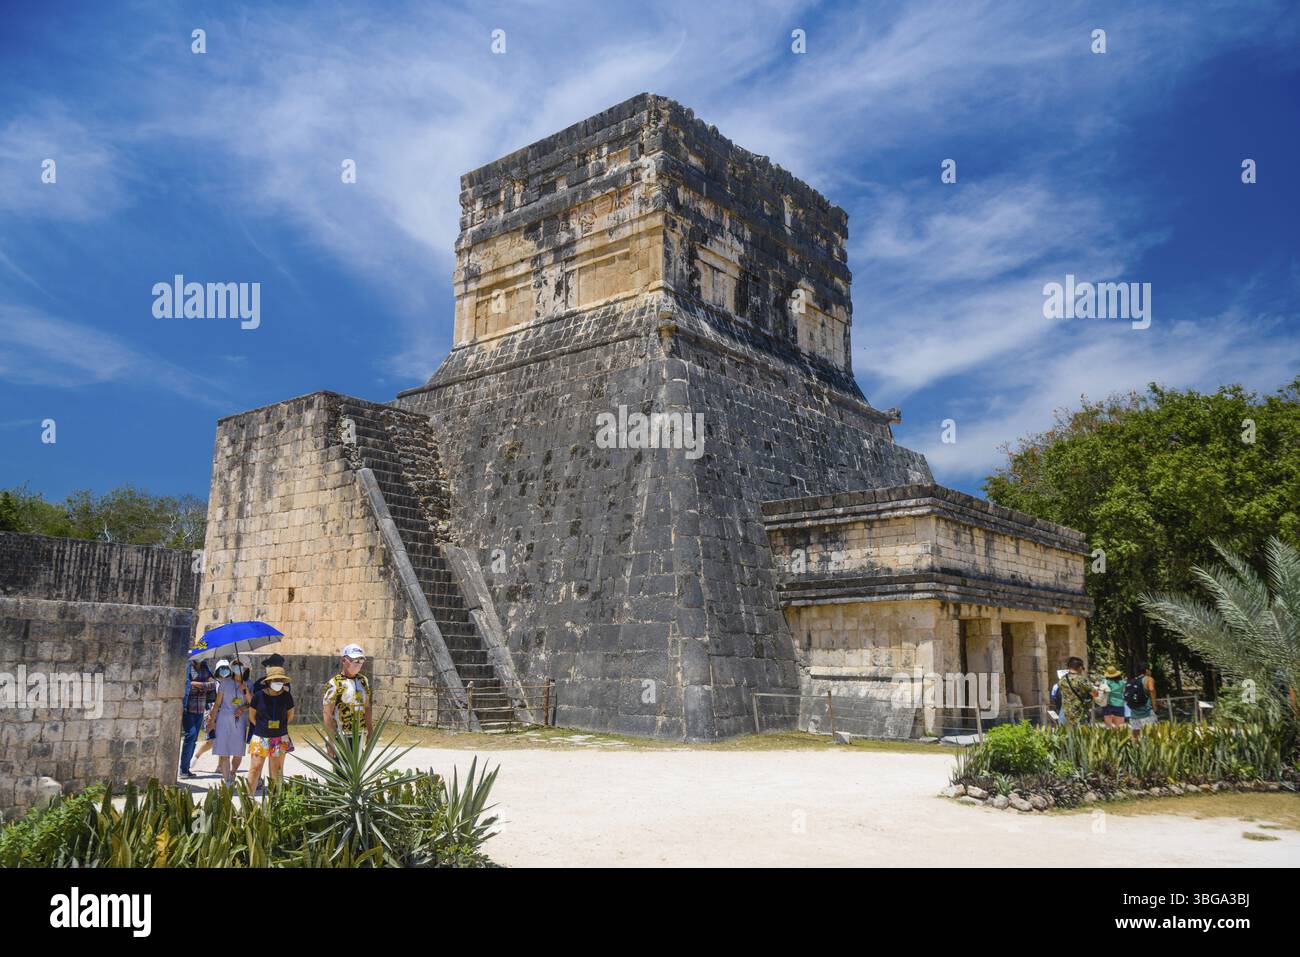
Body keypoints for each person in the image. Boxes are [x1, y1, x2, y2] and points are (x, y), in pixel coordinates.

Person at [247, 665, 295, 793]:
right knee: (255, 768)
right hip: (260, 736)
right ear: (268, 681)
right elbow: (252, 716)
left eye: (280, 680)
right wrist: (262, 727)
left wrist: (279, 727)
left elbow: (290, 716)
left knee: (277, 772)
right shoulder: (258, 696)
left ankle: (274, 803)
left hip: (280, 737)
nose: (278, 683)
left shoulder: (287, 696)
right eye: (275, 680)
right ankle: (247, 801)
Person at [323, 644, 372, 758]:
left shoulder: (363, 681)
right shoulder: (333, 684)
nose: (357, 663)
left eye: (360, 660)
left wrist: (370, 731)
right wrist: (330, 741)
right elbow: (327, 714)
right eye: (354, 660)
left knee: (357, 773)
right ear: (344, 660)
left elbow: (367, 707)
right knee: (342, 773)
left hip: (359, 734)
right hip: (341, 736)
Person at [208, 658, 251, 785]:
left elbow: (251, 703)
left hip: (240, 720)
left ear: (245, 668)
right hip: (224, 719)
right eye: (235, 665)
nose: (238, 668)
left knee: (238, 752)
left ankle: (233, 772)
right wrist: (212, 720)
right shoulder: (225, 683)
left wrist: (243, 704)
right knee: (224, 750)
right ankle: (227, 780)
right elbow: (217, 704)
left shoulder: (249, 683)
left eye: (240, 665)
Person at [179, 659, 216, 779]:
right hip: (188, 709)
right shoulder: (188, 668)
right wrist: (202, 685)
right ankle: (183, 769)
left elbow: (213, 685)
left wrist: (196, 684)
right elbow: (186, 684)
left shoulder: (206, 669)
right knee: (191, 735)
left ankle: (186, 769)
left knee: (193, 739)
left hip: (200, 709)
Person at [1126, 660, 1158, 735]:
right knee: (1152, 733)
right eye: (1149, 669)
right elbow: (1151, 689)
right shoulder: (1149, 679)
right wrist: (1154, 705)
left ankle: (1135, 747)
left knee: (1135, 734)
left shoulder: (1133, 681)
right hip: (1146, 712)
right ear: (1146, 670)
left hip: (1134, 714)